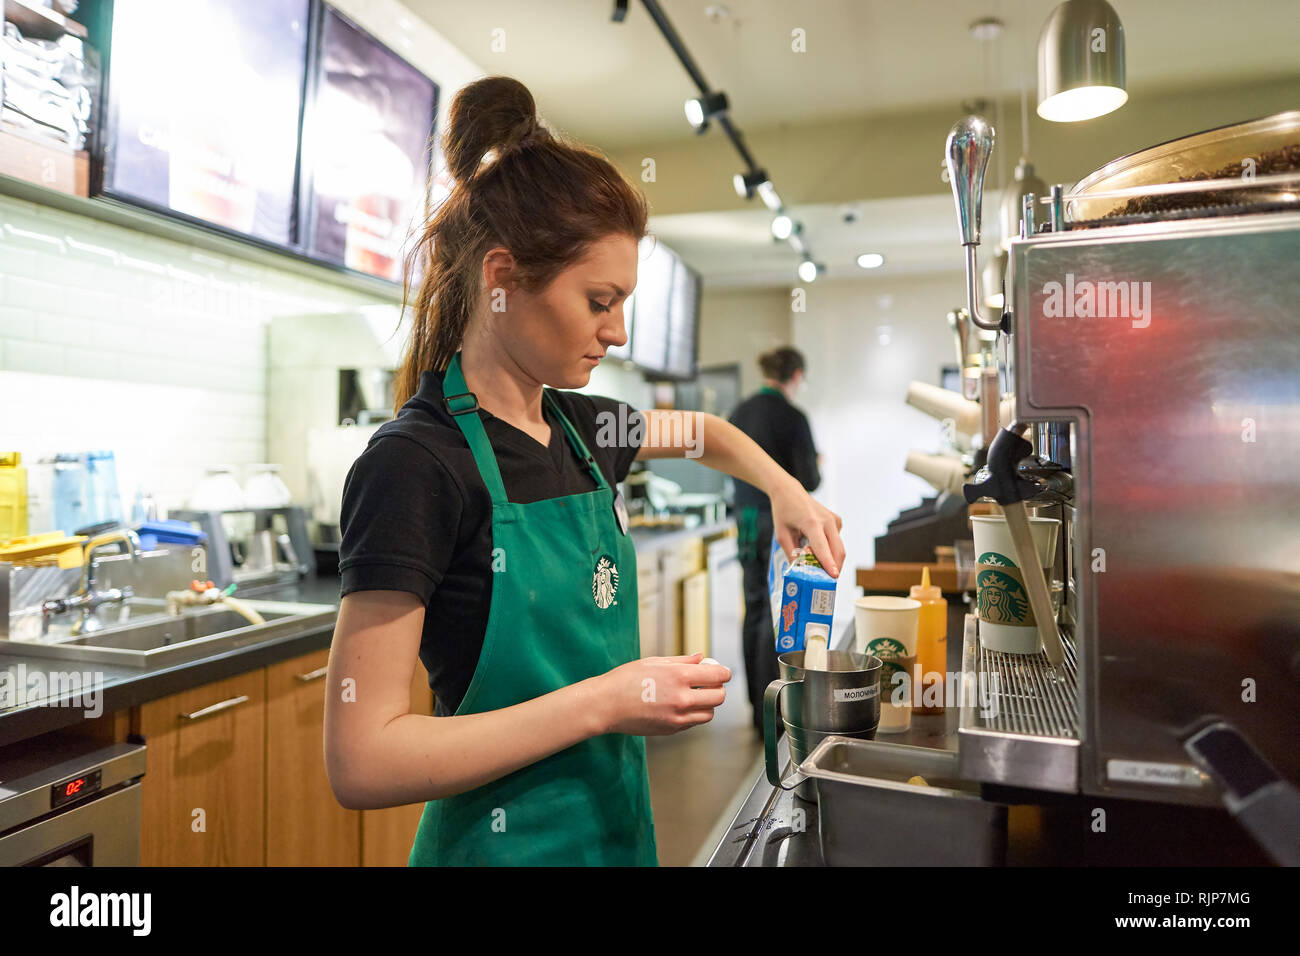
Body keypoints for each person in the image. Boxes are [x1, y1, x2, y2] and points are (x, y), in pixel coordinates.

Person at [322, 77, 844, 867]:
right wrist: (607, 700)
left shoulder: (584, 427)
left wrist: (786, 489)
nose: (619, 331)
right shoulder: (417, 464)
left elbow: (704, 433)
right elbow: (363, 760)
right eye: (600, 300)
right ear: (503, 276)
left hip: (616, 837)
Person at [728, 347, 823, 736]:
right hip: (779, 527)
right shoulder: (793, 417)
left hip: (747, 522)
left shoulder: (739, 412)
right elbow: (809, 480)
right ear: (796, 375)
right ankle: (778, 714)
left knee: (752, 611)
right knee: (778, 613)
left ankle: (756, 709)